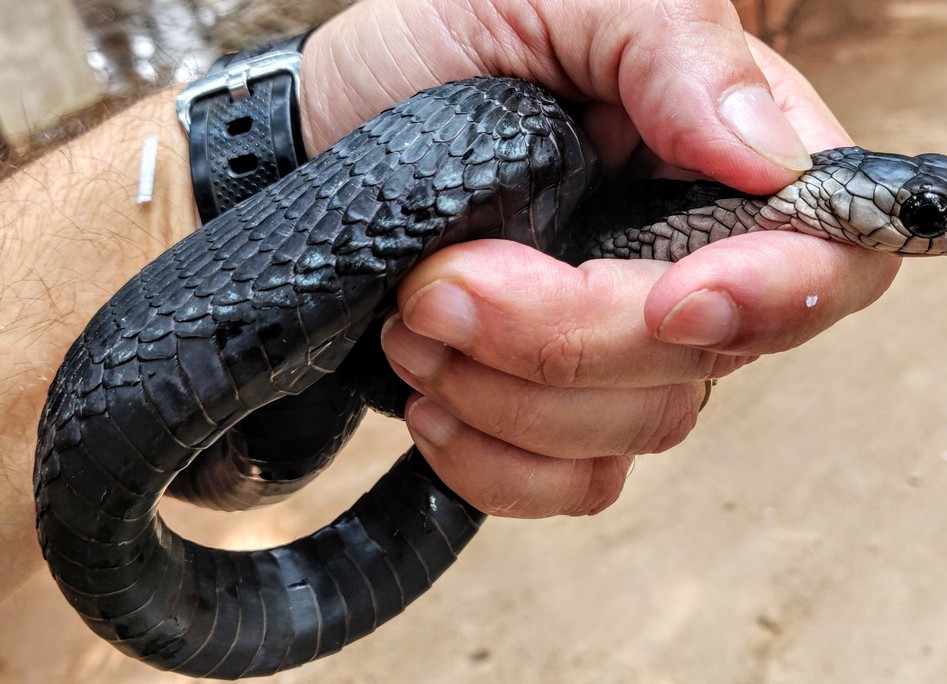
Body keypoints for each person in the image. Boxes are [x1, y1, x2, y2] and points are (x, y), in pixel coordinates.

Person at [0, 0, 899, 599]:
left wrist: (278, 149)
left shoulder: (627, 186)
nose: (933, 237)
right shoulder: (523, 122)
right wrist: (289, 135)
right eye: (922, 218)